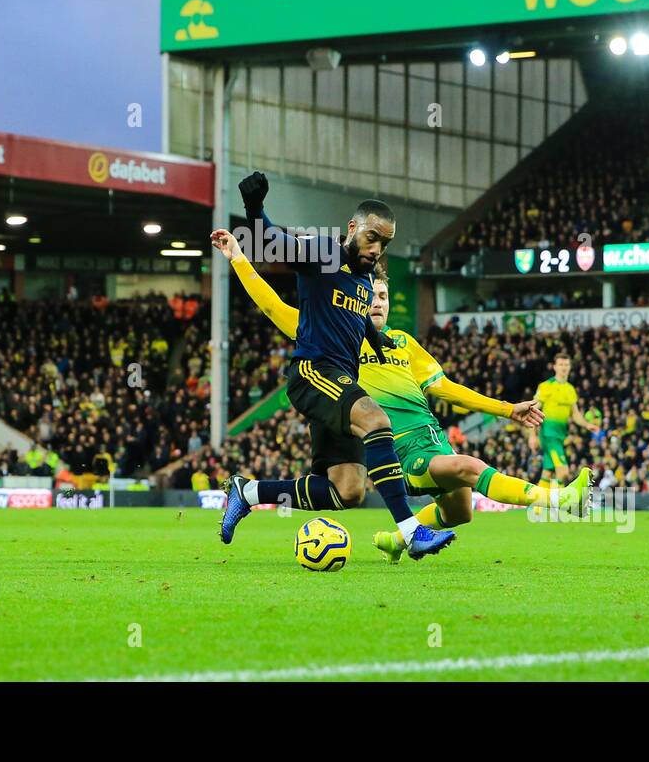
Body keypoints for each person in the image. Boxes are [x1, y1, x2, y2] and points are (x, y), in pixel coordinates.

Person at [213, 228, 589, 564]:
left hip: (432, 438)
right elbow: (272, 306)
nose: (377, 303)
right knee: (469, 467)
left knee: (447, 510)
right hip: (395, 443)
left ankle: (255, 493)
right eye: (371, 296)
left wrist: (506, 410)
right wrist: (239, 258)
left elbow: (446, 389)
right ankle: (558, 501)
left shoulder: (403, 344)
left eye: (383, 296)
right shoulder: (329, 329)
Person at [218, 171, 454, 560]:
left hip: (340, 380)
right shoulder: (323, 252)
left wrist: (378, 343)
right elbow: (274, 242)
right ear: (352, 228)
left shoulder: (362, 283)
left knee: (348, 490)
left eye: (385, 243)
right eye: (372, 237)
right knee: (377, 421)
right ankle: (411, 531)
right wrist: (255, 208)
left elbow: (356, 318)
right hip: (313, 372)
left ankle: (247, 492)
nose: (377, 248)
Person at [526, 354, 597, 487]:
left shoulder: (570, 389)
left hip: (560, 436)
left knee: (548, 472)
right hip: (548, 435)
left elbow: (575, 414)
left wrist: (587, 424)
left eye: (566, 365)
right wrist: (532, 436)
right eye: (561, 365)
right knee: (563, 471)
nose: (563, 367)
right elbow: (533, 411)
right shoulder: (546, 386)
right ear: (555, 367)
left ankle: (538, 506)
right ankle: (560, 505)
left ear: (570, 367)